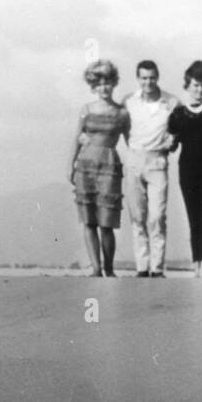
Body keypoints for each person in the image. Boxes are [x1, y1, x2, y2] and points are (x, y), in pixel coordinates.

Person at [70, 59, 130, 276]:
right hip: (85, 166)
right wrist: (70, 166)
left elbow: (131, 141)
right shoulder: (86, 110)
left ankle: (109, 268)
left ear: (114, 83)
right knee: (88, 220)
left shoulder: (122, 113)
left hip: (109, 166)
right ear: (93, 86)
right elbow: (76, 138)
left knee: (106, 222)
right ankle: (95, 268)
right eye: (99, 84)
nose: (104, 88)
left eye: (108, 83)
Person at [123, 60, 181, 277]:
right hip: (134, 160)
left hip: (158, 161)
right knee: (137, 216)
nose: (148, 82)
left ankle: (157, 267)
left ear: (157, 77)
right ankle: (142, 267)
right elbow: (124, 129)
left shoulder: (172, 102)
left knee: (157, 216)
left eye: (152, 78)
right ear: (138, 79)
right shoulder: (128, 101)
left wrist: (171, 143)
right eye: (144, 78)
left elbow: (179, 130)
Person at [168, 60, 202, 278]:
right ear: (187, 86)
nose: (199, 90)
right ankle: (195, 266)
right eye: (195, 85)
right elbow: (171, 144)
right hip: (188, 173)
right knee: (194, 219)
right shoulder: (177, 114)